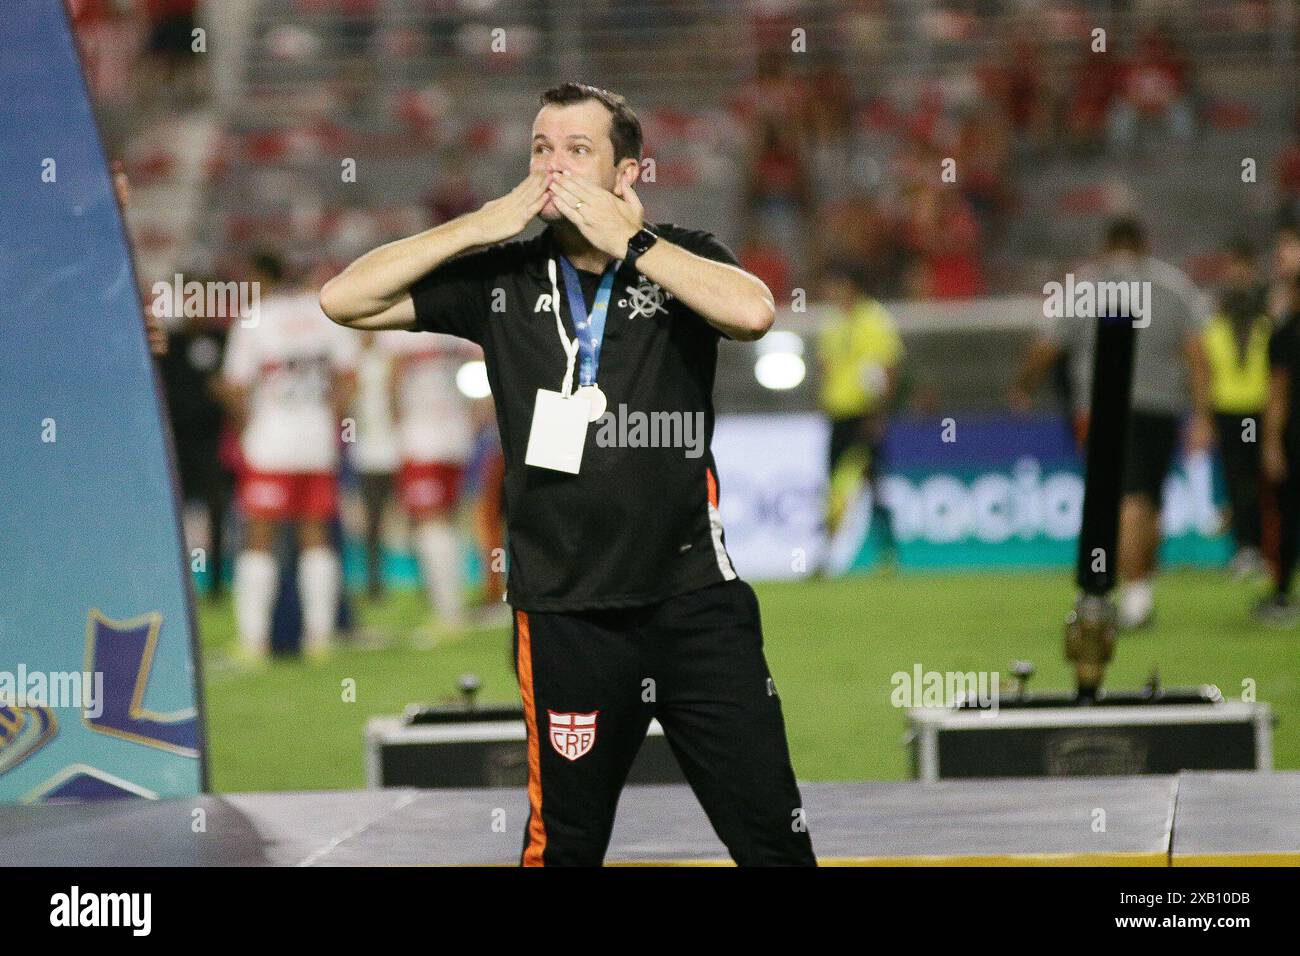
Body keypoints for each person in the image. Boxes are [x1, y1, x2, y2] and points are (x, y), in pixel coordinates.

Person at [320, 82, 815, 866]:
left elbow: (752, 313)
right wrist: (482, 224)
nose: (553, 167)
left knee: (771, 834)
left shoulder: (681, 255)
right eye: (540, 149)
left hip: (695, 605)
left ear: (628, 174)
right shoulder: (503, 275)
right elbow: (343, 298)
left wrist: (634, 244)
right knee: (563, 849)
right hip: (564, 615)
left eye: (577, 150)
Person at [1010, 217, 1212, 629]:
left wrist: (1023, 387)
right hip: (1162, 408)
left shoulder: (1085, 286)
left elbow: (1046, 346)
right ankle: (1143, 592)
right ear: (1144, 244)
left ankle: (1130, 594)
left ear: (1105, 245)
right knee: (1150, 498)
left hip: (1103, 408)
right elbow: (1197, 356)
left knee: (1123, 498)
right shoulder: (1175, 287)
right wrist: (1203, 416)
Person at [221, 253, 359, 662]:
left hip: (271, 440)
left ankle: (253, 643)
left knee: (259, 539)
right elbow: (349, 377)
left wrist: (244, 428)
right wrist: (332, 417)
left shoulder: (256, 318)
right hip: (317, 440)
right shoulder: (326, 314)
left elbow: (236, 385)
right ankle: (320, 639)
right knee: (315, 536)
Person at [377, 328, 481, 640]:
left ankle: (448, 612)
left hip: (422, 436)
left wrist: (396, 426)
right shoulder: (455, 326)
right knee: (447, 519)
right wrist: (477, 417)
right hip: (456, 433)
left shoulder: (402, 329)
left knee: (430, 521)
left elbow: (392, 379)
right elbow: (483, 369)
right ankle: (453, 605)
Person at [815, 259, 903, 564]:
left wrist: (879, 414)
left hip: (865, 416)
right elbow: (827, 368)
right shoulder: (833, 323)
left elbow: (889, 369)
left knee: (872, 484)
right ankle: (830, 553)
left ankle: (886, 552)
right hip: (839, 416)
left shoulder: (875, 320)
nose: (830, 291)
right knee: (837, 487)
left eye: (835, 285)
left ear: (850, 286)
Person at [1204, 242, 1271, 580]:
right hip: (1228, 408)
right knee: (1235, 479)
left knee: (1255, 480)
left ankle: (1258, 548)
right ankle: (1245, 548)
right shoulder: (1218, 315)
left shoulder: (1267, 312)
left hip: (1257, 408)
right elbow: (1207, 365)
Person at [1258, 273, 1300, 625]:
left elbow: (1279, 392)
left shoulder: (1285, 335)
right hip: (1292, 439)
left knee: (1287, 517)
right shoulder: (1284, 334)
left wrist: (1271, 443)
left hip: (1293, 438)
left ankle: (1283, 593)